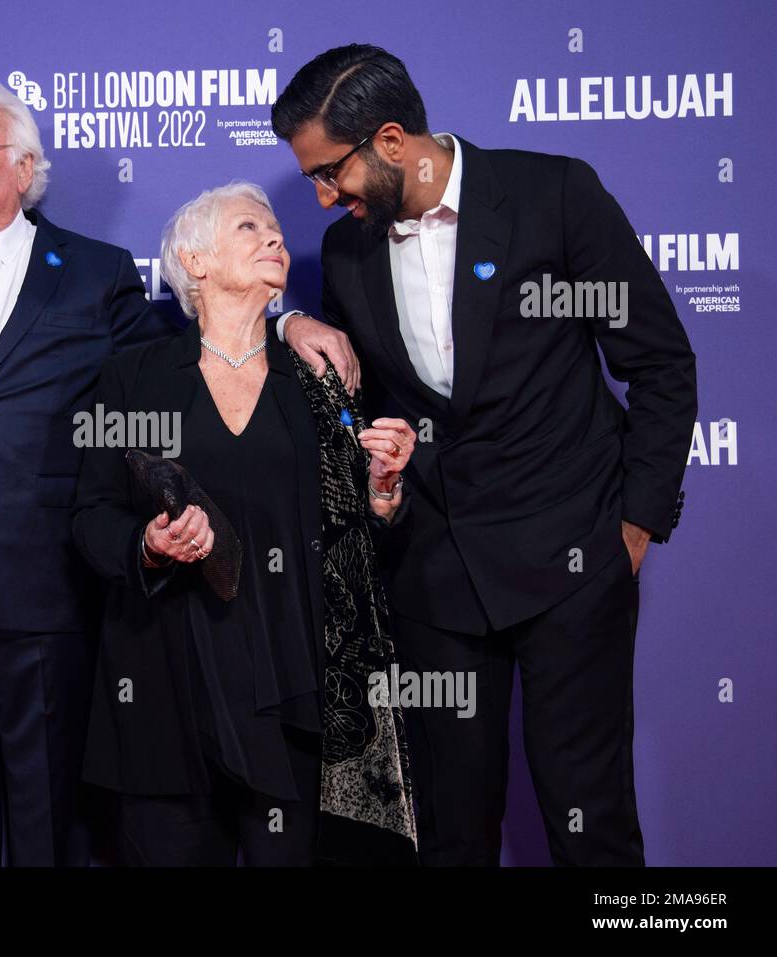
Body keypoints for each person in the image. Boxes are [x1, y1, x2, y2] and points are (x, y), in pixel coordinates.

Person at [0, 80, 361, 866]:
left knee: (48, 822)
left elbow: (185, 334)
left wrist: (284, 316)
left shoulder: (91, 272)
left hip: (47, 586)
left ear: (23, 168)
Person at [272, 44, 698, 865]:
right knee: (452, 829)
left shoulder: (553, 195)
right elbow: (379, 414)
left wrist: (636, 525)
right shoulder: (353, 256)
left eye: (330, 172)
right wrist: (291, 323)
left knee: (590, 815)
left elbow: (661, 364)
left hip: (571, 561)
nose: (325, 198)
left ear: (391, 141)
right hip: (436, 578)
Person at [72, 182, 419, 866]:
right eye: (249, 227)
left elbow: (362, 535)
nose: (275, 238)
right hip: (168, 684)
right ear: (195, 263)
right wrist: (147, 543)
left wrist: (384, 491)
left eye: (278, 233)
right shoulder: (134, 376)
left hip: (294, 681)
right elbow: (90, 514)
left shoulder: (320, 376)